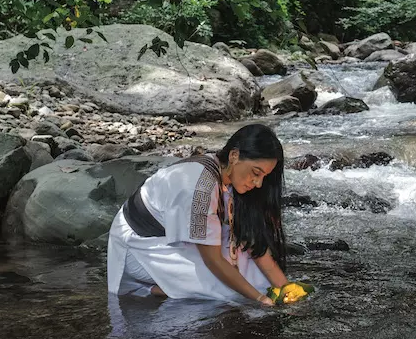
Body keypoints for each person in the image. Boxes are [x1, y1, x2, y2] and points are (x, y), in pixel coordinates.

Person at [107, 123, 290, 306]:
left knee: (259, 281)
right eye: (256, 173)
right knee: (229, 294)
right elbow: (214, 261)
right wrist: (260, 299)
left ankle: (175, 287)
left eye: (264, 176)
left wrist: (285, 287)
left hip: (178, 236)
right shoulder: (201, 188)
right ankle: (150, 289)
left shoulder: (227, 174)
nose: (258, 183)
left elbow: (252, 240)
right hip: (141, 244)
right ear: (234, 156)